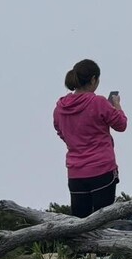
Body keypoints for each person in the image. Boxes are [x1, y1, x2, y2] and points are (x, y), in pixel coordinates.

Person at [52, 59, 128, 217]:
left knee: (81, 223)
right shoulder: (98, 102)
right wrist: (116, 105)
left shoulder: (60, 108)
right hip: (102, 169)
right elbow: (121, 125)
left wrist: (74, 142)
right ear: (93, 79)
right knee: (103, 221)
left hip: (76, 172)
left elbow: (60, 131)